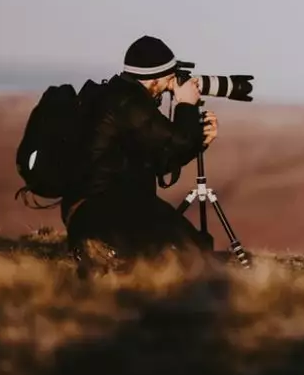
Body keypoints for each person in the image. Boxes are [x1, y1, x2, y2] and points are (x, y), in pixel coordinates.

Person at [61, 35, 220, 269]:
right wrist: (186, 104)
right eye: (169, 78)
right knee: (187, 253)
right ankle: (100, 248)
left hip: (111, 203)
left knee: (193, 245)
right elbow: (180, 141)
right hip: (101, 209)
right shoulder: (128, 104)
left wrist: (201, 142)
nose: (171, 85)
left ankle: (105, 249)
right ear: (154, 78)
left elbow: (160, 161)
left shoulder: (124, 97)